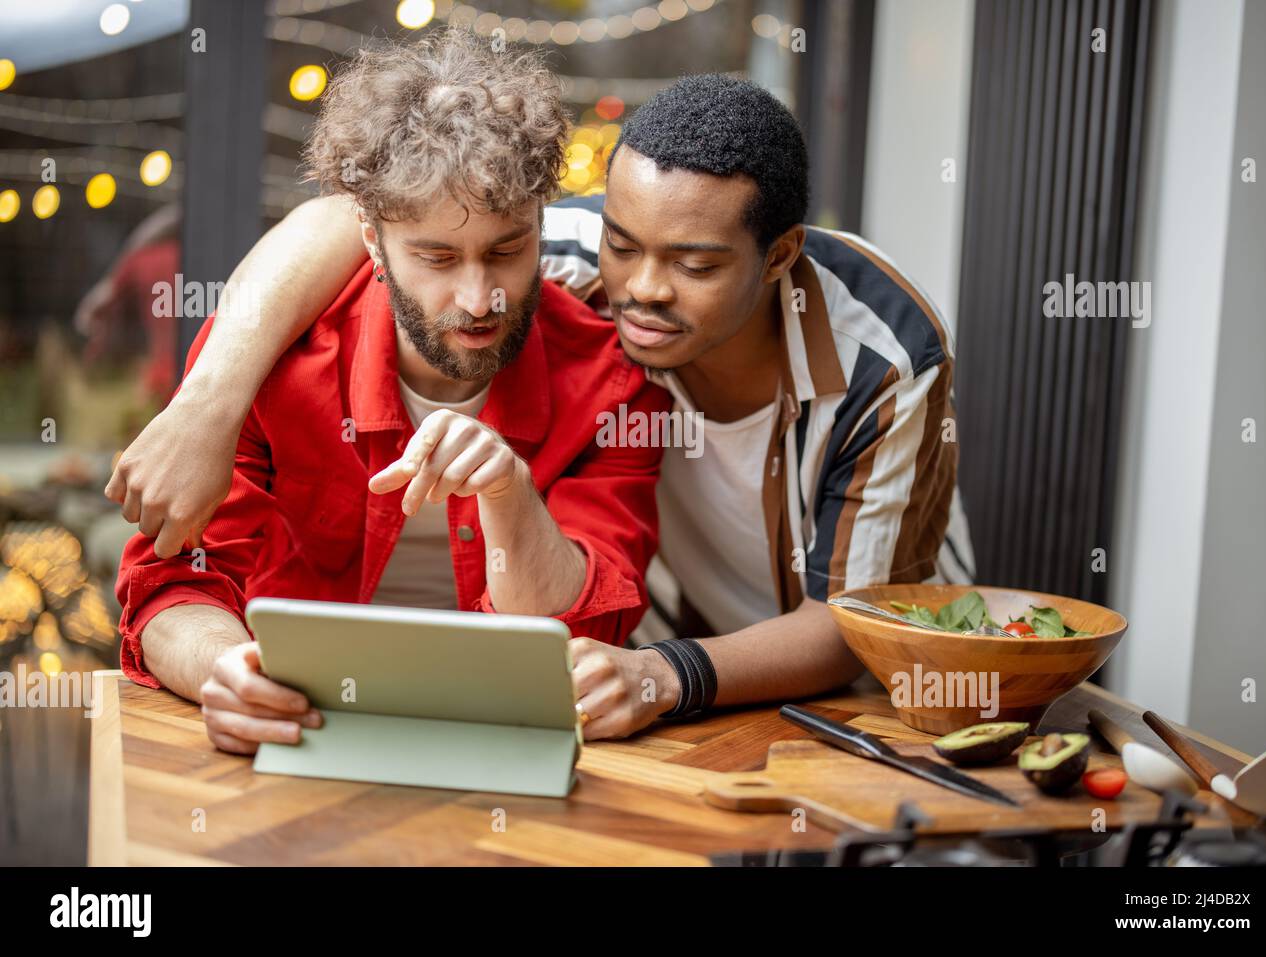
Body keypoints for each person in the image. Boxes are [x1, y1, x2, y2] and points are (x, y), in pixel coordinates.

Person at [111, 66, 975, 742]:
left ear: (779, 253)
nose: (642, 290)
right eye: (623, 245)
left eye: (697, 267)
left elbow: (853, 624)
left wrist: (656, 664)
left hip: (849, 679)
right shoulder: (541, 254)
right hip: (645, 686)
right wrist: (207, 403)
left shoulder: (878, 358)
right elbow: (350, 215)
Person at [113, 32, 668, 754]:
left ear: (541, 224)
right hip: (300, 732)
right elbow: (175, 584)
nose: (478, 299)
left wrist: (509, 495)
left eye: (507, 249)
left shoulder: (614, 388)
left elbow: (588, 642)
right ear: (370, 241)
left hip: (503, 741)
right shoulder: (271, 356)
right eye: (436, 257)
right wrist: (226, 670)